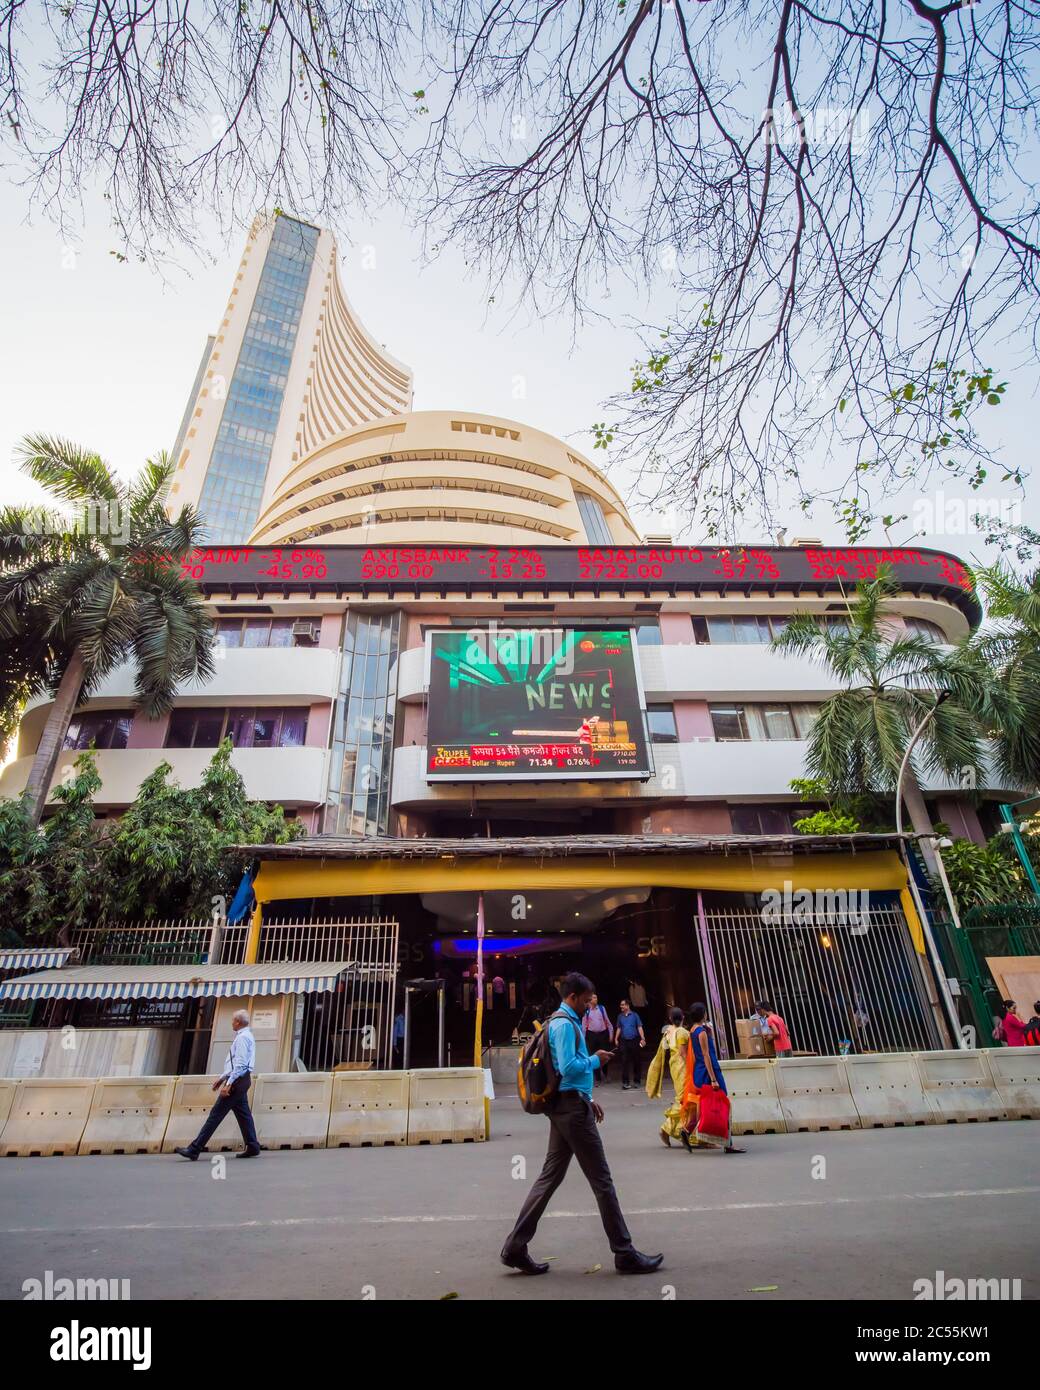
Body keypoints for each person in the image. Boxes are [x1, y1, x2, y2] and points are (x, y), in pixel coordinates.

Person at [501, 971, 663, 1277]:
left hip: (570, 1105)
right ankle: (624, 1252)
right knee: (602, 1181)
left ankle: (514, 1248)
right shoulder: (564, 1025)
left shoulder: (563, 1022)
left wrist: (586, 1096)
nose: (589, 1006)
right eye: (586, 1001)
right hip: (571, 1111)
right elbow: (568, 1066)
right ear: (572, 997)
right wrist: (596, 1060)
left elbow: (567, 1074)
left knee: (549, 1178)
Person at [174, 1008, 260, 1160]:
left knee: (215, 1115)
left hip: (238, 1080)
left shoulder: (242, 1038)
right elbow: (238, 1063)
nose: (232, 1023)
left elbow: (240, 1064)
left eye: (233, 1020)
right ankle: (252, 1145)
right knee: (244, 1114)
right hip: (242, 1079)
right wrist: (222, 1078)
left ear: (238, 1022)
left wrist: (229, 1083)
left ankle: (195, 1149)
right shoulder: (247, 1036)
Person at [680, 1003, 744, 1155]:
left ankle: (686, 1131)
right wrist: (714, 1079)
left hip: (700, 1072)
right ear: (703, 1015)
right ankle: (729, 1144)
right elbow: (706, 1055)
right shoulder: (701, 1032)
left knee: (703, 1105)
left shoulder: (693, 1030)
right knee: (724, 1104)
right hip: (709, 1071)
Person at [646, 1007, 691, 1146]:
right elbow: (684, 1053)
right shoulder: (682, 1032)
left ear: (670, 1019)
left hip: (674, 1064)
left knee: (684, 1099)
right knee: (685, 1099)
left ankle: (681, 1131)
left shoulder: (668, 1031)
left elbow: (665, 1048)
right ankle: (667, 1129)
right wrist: (692, 1068)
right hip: (682, 1066)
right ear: (683, 1017)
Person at [614, 998, 646, 1090]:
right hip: (624, 1041)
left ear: (627, 1006)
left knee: (636, 1060)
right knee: (624, 1061)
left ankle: (637, 1081)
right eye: (621, 1005)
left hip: (634, 1040)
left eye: (623, 1005)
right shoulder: (620, 1016)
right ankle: (625, 1082)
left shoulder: (635, 1015)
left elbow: (639, 1027)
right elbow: (619, 1028)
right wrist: (616, 1038)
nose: (621, 1006)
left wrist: (642, 1038)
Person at [583, 993, 613, 1085]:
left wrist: (611, 1033)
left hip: (602, 1034)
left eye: (596, 997)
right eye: (593, 998)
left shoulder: (601, 1008)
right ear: (590, 1000)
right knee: (594, 1056)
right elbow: (584, 1025)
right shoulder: (587, 1011)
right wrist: (583, 1038)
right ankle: (598, 1078)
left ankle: (605, 1073)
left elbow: (608, 1022)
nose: (595, 999)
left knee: (604, 1055)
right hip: (592, 1035)